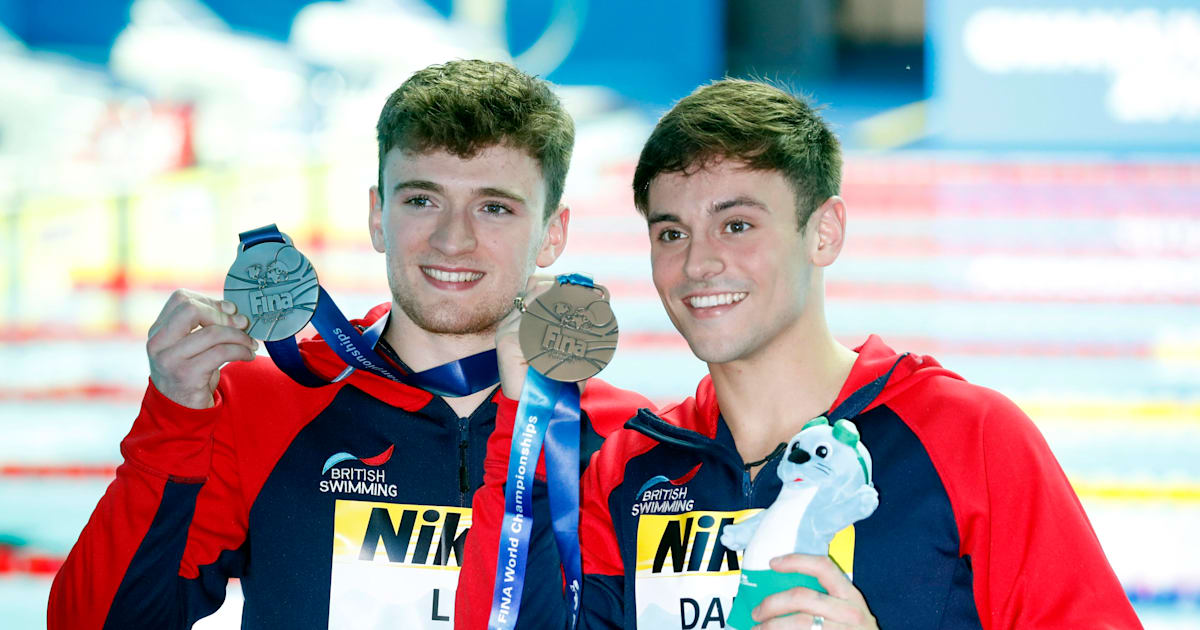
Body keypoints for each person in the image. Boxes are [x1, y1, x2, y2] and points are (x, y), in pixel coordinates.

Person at [464, 79, 1143, 629]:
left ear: (824, 234)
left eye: (737, 225)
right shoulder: (631, 471)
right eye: (671, 233)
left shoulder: (967, 438)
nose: (699, 263)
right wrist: (526, 418)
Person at [46, 59, 649, 630]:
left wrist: (528, 423)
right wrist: (172, 420)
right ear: (377, 216)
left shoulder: (622, 441)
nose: (452, 239)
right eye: (421, 199)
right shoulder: (263, 405)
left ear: (553, 234)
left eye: (494, 207)